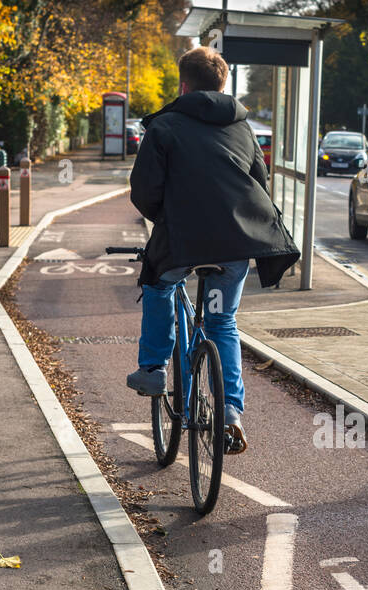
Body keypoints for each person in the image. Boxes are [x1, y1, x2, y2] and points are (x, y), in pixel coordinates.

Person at [128, 46, 299, 453]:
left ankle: (153, 369)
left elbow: (144, 191)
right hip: (236, 240)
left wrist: (164, 219)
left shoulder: (166, 125)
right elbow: (260, 180)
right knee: (222, 322)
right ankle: (231, 414)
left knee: (159, 285)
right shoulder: (242, 127)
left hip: (183, 240)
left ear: (183, 85)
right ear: (224, 85)